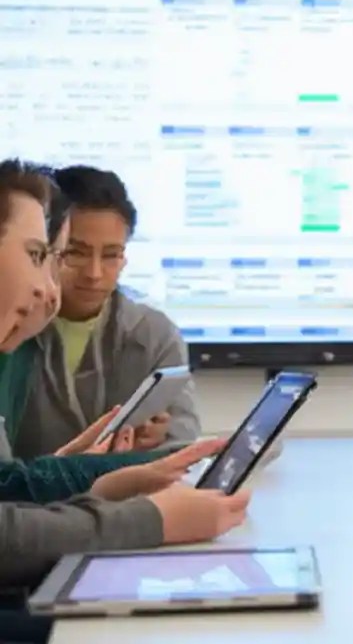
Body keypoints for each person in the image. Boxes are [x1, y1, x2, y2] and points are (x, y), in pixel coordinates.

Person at [0, 161, 248, 592]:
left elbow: (8, 489)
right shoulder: (15, 344)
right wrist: (151, 519)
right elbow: (8, 535)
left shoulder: (153, 332)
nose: (48, 289)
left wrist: (94, 481)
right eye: (45, 255)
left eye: (111, 255)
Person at [15, 165, 200, 458]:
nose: (94, 273)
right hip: (25, 501)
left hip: (124, 499)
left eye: (112, 255)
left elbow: (182, 442)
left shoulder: (153, 333)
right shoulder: (14, 325)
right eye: (76, 253)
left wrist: (157, 439)